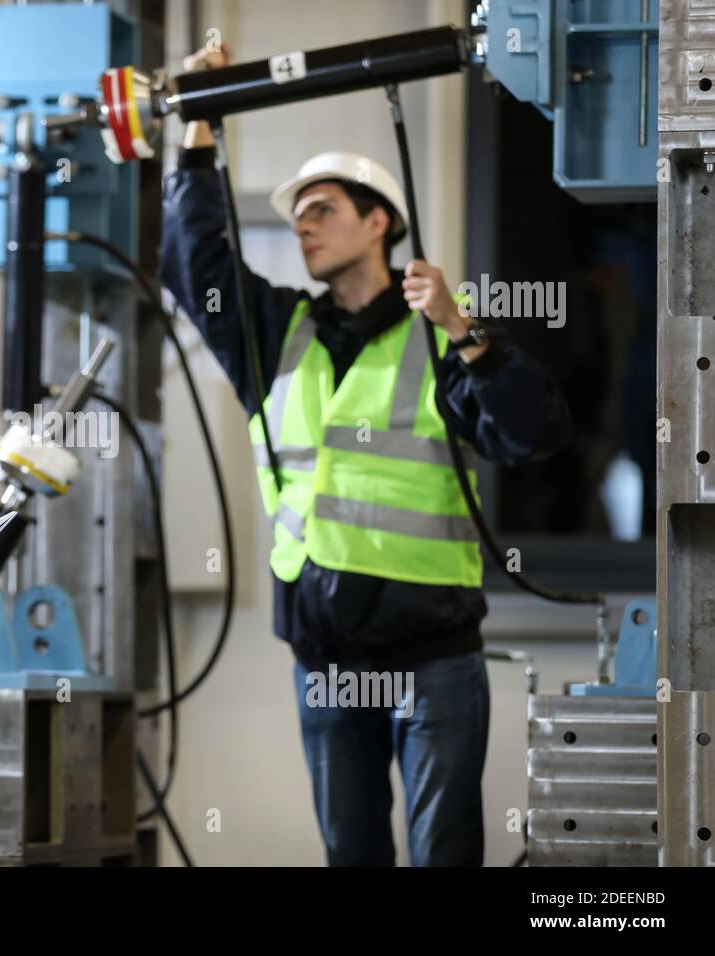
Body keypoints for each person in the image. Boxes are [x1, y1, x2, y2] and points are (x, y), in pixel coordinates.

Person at [158, 45, 573, 865]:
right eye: (298, 215)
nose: (302, 225)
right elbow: (192, 261)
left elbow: (536, 433)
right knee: (352, 854)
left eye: (321, 208)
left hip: (437, 659)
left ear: (378, 219)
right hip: (325, 656)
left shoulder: (441, 333)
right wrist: (198, 127)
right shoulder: (276, 334)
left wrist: (466, 332)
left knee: (443, 855)